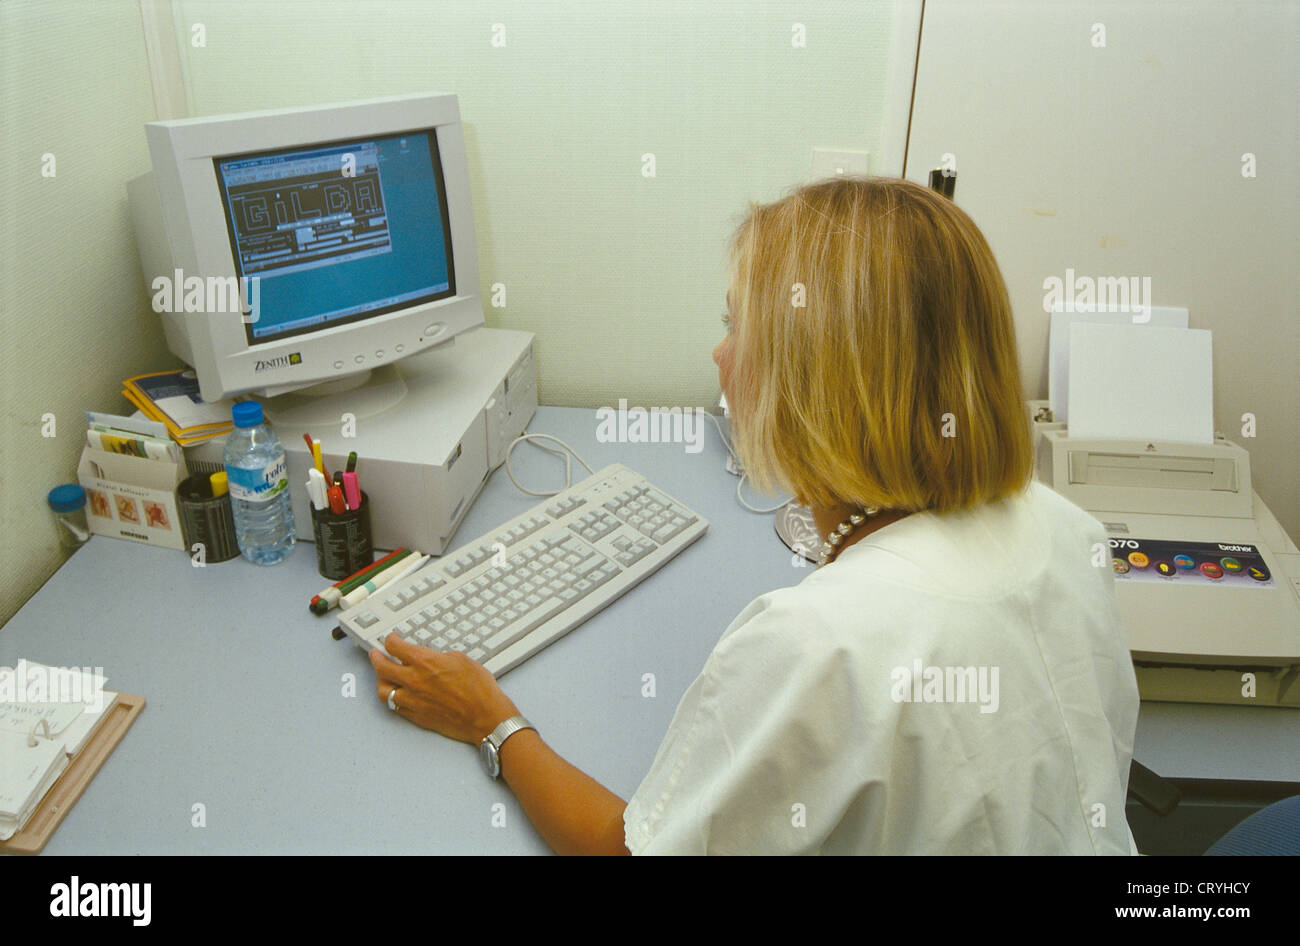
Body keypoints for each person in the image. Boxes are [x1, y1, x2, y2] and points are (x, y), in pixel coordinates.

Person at [370, 176, 1140, 855]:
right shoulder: (1066, 529)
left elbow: (627, 851)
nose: (719, 355)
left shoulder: (820, 646)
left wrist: (492, 722)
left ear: (819, 380)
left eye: (737, 326)